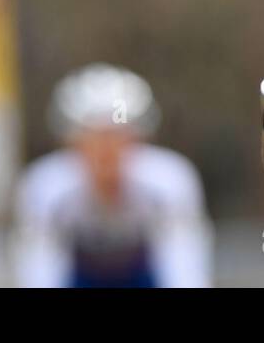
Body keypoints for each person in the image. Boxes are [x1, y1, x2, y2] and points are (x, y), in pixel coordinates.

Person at [13, 63, 214, 287]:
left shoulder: (169, 182)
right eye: (94, 138)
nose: (106, 151)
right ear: (72, 144)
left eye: (118, 137)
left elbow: (184, 264)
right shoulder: (46, 188)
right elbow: (40, 267)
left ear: (137, 140)